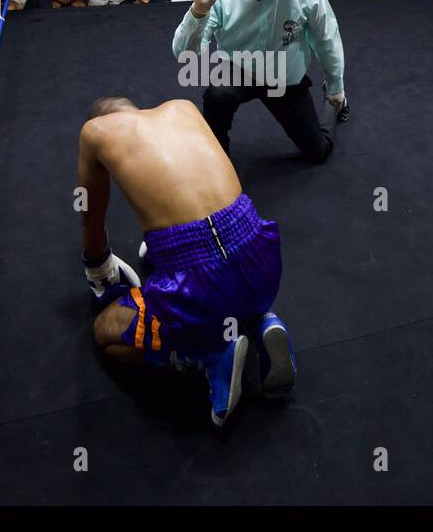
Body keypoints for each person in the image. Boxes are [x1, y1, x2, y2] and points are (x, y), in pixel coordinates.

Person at [78, 96, 295, 425]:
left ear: (103, 118)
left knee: (105, 331)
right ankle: (262, 319)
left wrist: (98, 266)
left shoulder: (95, 131)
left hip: (199, 290)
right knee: (219, 264)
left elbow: (90, 217)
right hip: (261, 253)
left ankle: (207, 354)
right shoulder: (183, 107)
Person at [172, 0, 348, 165]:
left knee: (317, 151)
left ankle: (331, 105)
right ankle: (218, 161)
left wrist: (335, 88)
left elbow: (327, 39)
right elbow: (184, 55)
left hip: (285, 73)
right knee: (217, 95)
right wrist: (199, 10)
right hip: (239, 66)